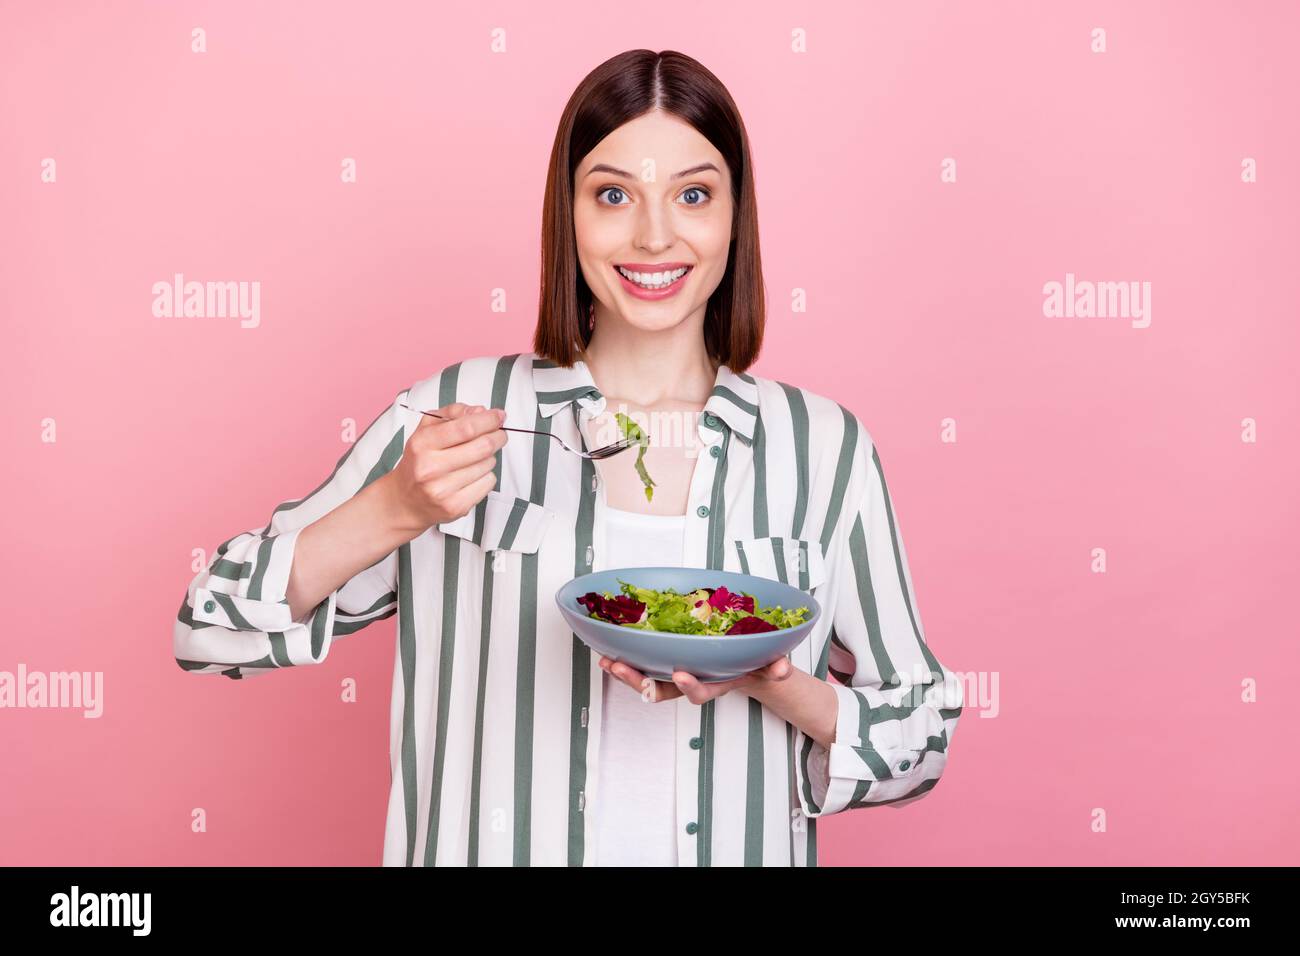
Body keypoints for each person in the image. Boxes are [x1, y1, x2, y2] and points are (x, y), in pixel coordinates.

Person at [173, 49, 964, 867]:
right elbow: (210, 630)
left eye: (693, 194)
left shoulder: (823, 447)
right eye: (614, 194)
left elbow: (922, 736)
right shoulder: (457, 412)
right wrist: (394, 508)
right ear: (568, 213)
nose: (654, 234)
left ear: (736, 217)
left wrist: (776, 681)